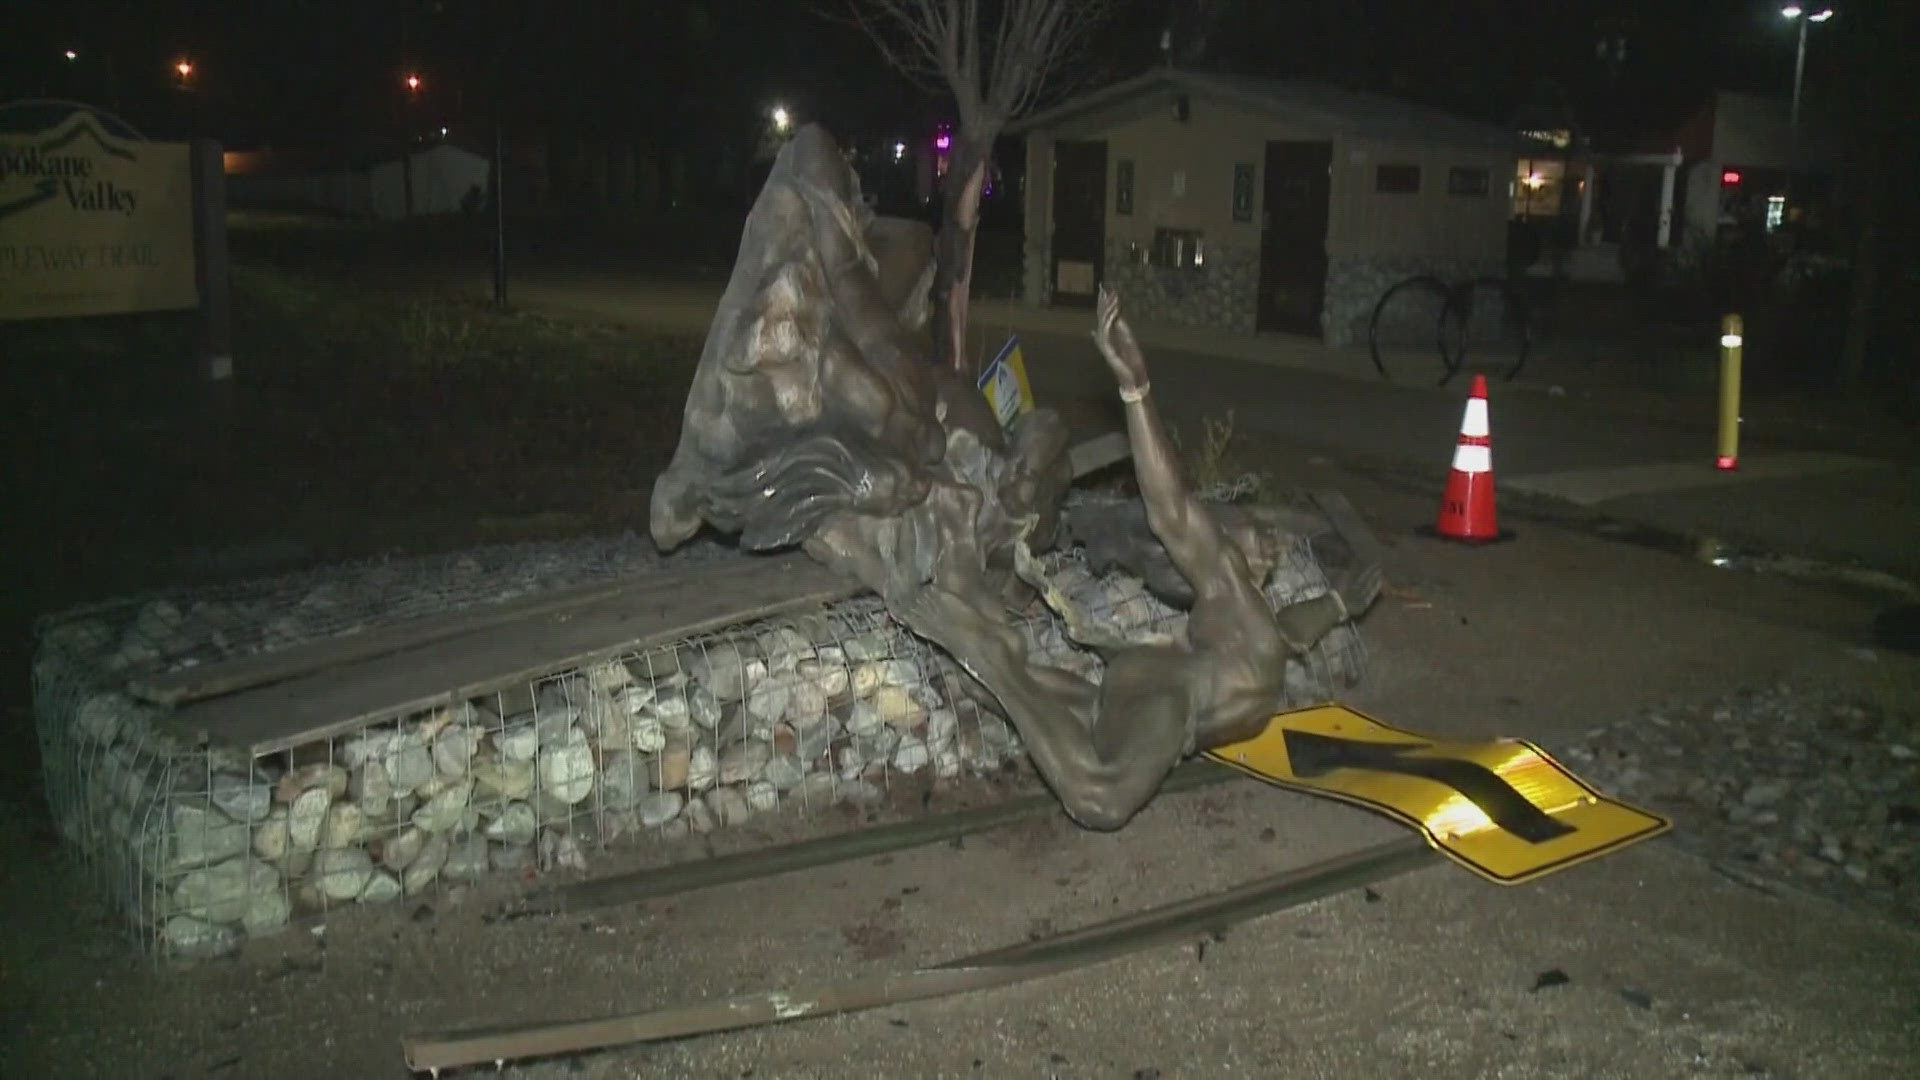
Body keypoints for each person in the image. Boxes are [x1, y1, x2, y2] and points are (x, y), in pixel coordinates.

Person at [898, 286, 1374, 829]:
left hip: (1123, 698)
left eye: (1270, 537)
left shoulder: (1252, 624)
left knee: (1036, 702)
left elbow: (1289, 633)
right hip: (1170, 700)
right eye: (1257, 532)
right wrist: (1136, 389)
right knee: (1099, 802)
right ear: (1225, 544)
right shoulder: (1228, 585)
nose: (1274, 542)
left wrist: (1338, 605)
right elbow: (1170, 509)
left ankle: (994, 672)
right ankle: (989, 657)